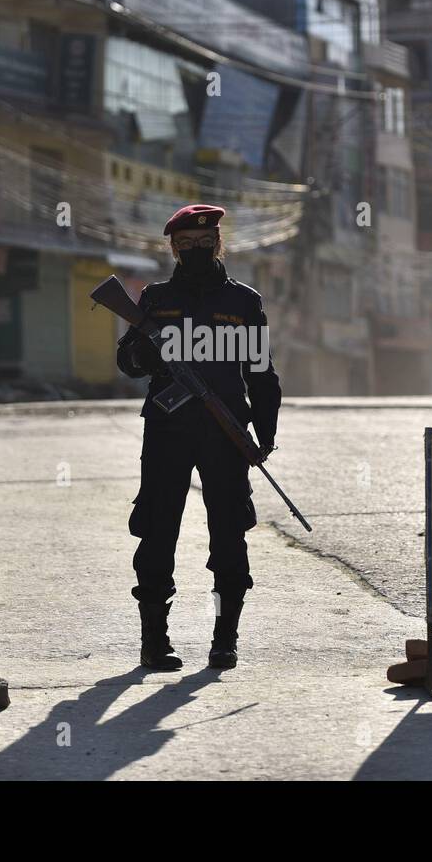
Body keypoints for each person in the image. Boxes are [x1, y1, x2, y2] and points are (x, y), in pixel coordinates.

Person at [116, 204, 282, 671]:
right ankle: (155, 643)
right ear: (172, 247)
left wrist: (263, 434)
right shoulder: (154, 298)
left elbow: (262, 374)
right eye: (184, 244)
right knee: (156, 532)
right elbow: (127, 364)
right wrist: (148, 347)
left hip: (225, 434)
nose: (194, 251)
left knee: (229, 535)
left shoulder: (243, 302)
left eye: (203, 243)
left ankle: (224, 639)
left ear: (218, 244)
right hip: (168, 432)